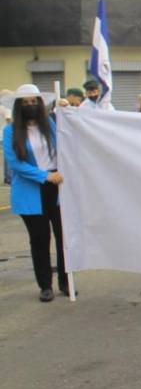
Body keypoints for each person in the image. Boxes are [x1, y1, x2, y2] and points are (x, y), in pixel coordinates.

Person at [3, 85, 68, 301]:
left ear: (40, 104)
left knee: (64, 238)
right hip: (32, 190)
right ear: (18, 106)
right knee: (40, 240)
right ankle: (45, 285)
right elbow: (15, 163)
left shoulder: (50, 123)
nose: (30, 106)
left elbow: (68, 139)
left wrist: (67, 110)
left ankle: (66, 281)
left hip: (57, 187)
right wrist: (44, 176)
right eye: (25, 102)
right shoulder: (10, 131)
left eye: (33, 102)